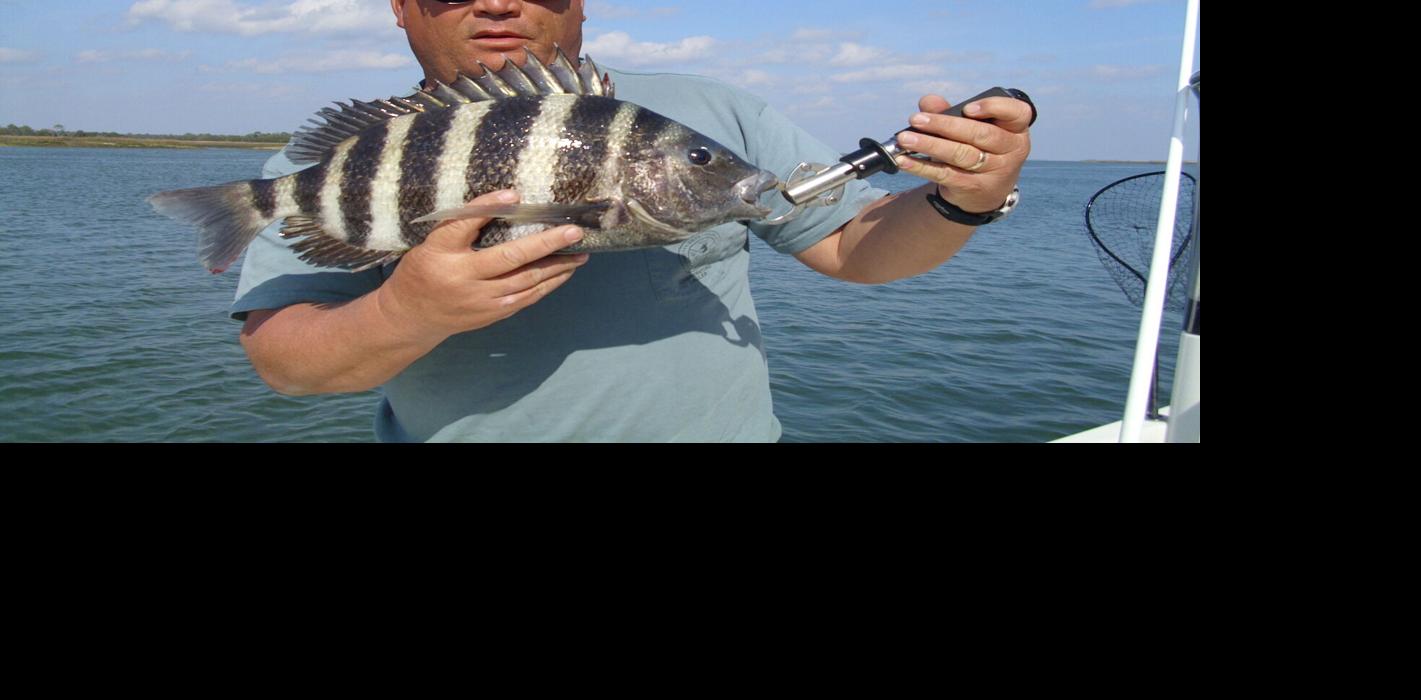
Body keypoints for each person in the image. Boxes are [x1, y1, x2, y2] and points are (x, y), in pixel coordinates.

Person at [233, 0, 1034, 441]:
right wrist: (408, 310)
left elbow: (855, 248)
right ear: (403, 9)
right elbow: (288, 365)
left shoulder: (709, 114)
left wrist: (962, 197)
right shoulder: (350, 162)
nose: (498, 0)